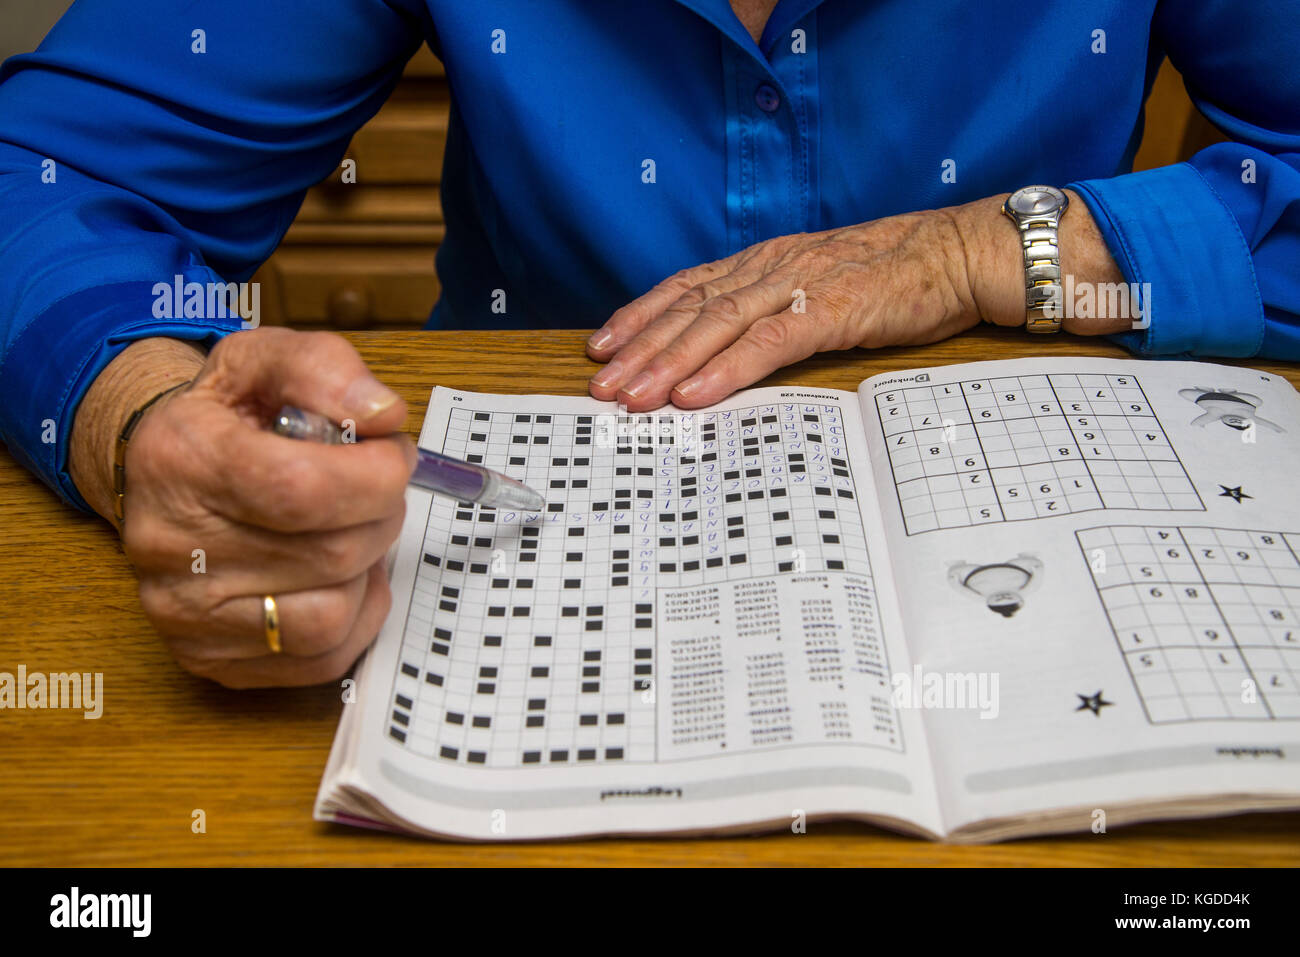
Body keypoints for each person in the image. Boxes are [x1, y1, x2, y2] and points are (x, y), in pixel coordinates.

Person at [0, 1, 1296, 687]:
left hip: (1055, 564)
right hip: (487, 586)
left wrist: (991, 252)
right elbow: (43, 182)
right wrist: (140, 416)